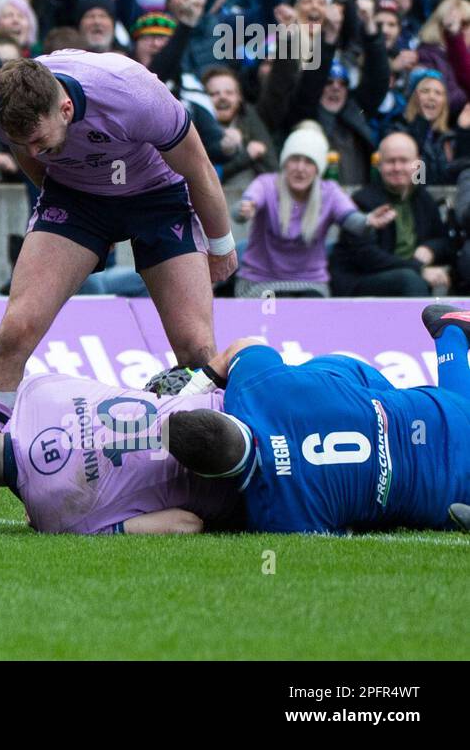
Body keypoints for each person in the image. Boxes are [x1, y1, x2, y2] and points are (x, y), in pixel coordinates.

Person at [0, 51, 236, 526]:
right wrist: (59, 198)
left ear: (65, 108)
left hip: (158, 196)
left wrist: (221, 243)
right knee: (16, 329)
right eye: (24, 143)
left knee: (196, 347)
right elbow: (34, 160)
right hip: (78, 198)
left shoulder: (132, 94)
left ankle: (235, 466)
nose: (36, 150)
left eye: (42, 140)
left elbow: (198, 168)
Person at [163, 318, 470, 534]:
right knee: (325, 373)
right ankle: (450, 337)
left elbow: (345, 534)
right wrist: (189, 393)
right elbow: (245, 345)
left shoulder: (277, 516)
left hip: (448, 486)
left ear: (208, 476)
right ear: (223, 413)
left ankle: (451, 338)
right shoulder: (253, 390)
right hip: (434, 408)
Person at [0, 370, 241, 533]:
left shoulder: (57, 520)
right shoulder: (36, 387)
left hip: (245, 490)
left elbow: (185, 524)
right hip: (238, 404)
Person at [234, 122, 380, 299]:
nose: (300, 168)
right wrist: (244, 209)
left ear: (318, 169)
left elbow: (351, 219)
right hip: (260, 279)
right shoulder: (266, 183)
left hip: (310, 281)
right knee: (278, 303)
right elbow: (244, 206)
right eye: (295, 159)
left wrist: (368, 221)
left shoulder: (330, 191)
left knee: (310, 303)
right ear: (285, 163)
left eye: (309, 162)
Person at [329, 130, 454, 297]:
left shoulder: (423, 198)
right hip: (361, 279)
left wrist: (430, 249)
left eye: (404, 161)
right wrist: (418, 268)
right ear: (379, 165)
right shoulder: (362, 200)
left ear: (417, 165)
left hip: (406, 274)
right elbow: (367, 257)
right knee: (410, 280)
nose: (397, 168)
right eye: (390, 161)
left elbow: (444, 240)